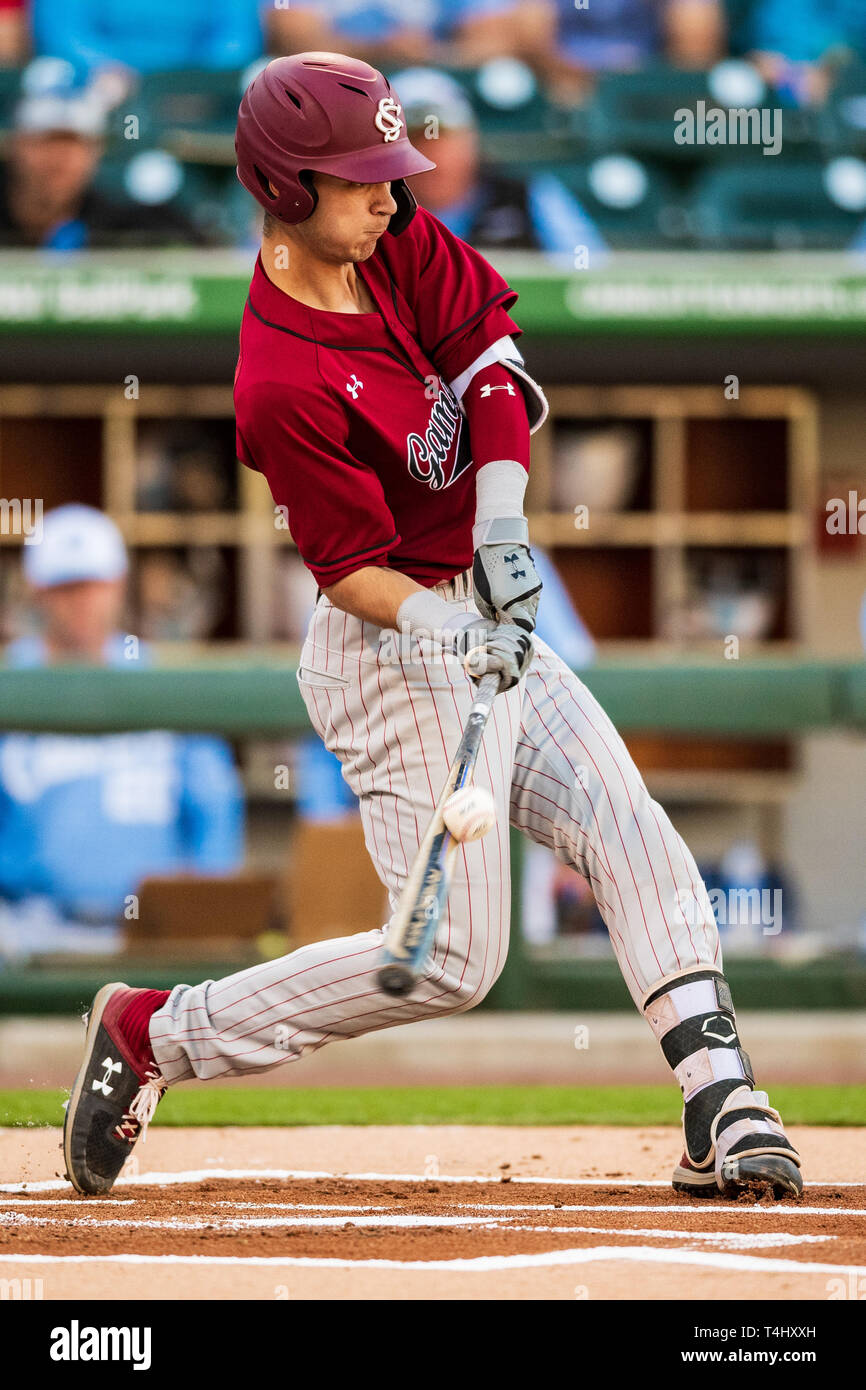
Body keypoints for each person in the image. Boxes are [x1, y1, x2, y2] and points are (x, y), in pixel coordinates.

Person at [62, 54, 802, 1204]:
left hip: (474, 583)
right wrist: (449, 634)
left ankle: (718, 1093)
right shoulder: (280, 380)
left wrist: (501, 522)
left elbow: (493, 365)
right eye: (359, 179)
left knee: (623, 817)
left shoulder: (389, 235)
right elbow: (350, 570)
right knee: (455, 961)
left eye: (389, 172)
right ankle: (158, 1033)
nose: (390, 195)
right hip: (387, 643)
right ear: (285, 188)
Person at [0, 506, 244, 957]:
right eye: (65, 587)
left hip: (149, 934)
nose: (81, 601)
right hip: (25, 930)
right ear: (36, 592)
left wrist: (206, 916)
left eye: (94, 585)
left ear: (118, 585)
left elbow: (213, 810)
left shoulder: (161, 681)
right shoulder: (11, 683)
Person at [391, 66, 606, 256]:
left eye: (444, 138)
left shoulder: (529, 197)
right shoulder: (369, 213)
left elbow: (589, 275)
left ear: (470, 139)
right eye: (414, 141)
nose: (431, 153)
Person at [0, 87, 203, 248]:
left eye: (75, 145)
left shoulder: (126, 226)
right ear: (17, 146)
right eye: (47, 143)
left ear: (95, 153)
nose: (60, 159)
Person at [31, 0, 264, 75]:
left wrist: (195, 81)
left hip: (197, 102)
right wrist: (107, 70)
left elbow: (238, 37)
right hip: (94, 94)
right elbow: (63, 32)